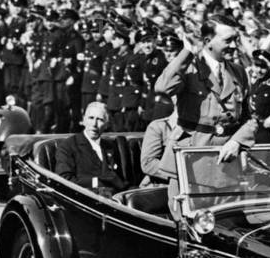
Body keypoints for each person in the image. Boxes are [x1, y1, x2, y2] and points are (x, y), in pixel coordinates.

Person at [153, 14, 256, 216]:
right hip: (191, 164)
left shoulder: (238, 72)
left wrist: (237, 141)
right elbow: (162, 87)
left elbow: (250, 118)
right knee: (190, 230)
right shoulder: (189, 67)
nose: (235, 46)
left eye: (236, 39)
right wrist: (187, 51)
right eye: (228, 40)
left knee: (229, 229)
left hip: (226, 168)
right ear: (208, 42)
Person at [55, 102, 128, 196]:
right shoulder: (68, 146)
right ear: (84, 120)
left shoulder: (110, 147)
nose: (94, 124)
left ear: (106, 125)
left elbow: (120, 180)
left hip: (114, 199)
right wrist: (96, 182)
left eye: (100, 120)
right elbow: (64, 179)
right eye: (91, 118)